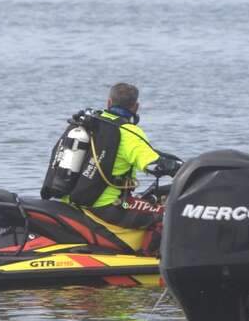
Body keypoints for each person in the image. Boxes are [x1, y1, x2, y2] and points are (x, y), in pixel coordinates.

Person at [66, 82, 180, 238]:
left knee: (144, 200)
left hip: (73, 202)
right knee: (168, 212)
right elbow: (153, 165)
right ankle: (148, 252)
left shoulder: (89, 123)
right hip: (113, 205)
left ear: (109, 102)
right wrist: (181, 169)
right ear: (136, 107)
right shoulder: (128, 132)